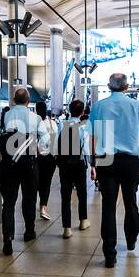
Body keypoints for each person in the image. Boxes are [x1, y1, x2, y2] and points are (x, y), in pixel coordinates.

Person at [88, 73, 139, 267]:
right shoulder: (135, 106)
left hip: (106, 160)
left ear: (109, 86)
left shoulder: (99, 106)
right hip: (130, 162)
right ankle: (131, 240)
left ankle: (110, 254)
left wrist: (93, 161)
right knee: (130, 202)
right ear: (127, 86)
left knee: (108, 207)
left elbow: (94, 137)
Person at [0, 86, 42, 255]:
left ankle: (7, 239)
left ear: (13, 101)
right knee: (29, 198)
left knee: (9, 203)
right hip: (29, 164)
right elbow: (46, 142)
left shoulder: (4, 117)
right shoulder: (35, 118)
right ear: (28, 101)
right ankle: (29, 231)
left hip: (8, 165)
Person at [55, 98, 91, 238]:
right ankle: (83, 221)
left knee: (65, 195)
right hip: (79, 163)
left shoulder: (61, 125)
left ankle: (67, 228)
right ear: (82, 112)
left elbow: (56, 145)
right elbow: (86, 149)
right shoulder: (83, 126)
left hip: (65, 164)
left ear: (69, 111)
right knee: (82, 193)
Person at [35, 103, 59, 221]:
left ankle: (39, 202)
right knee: (46, 182)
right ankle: (43, 207)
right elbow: (56, 140)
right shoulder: (53, 124)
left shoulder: (35, 123)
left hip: (38, 157)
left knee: (37, 181)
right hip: (50, 157)